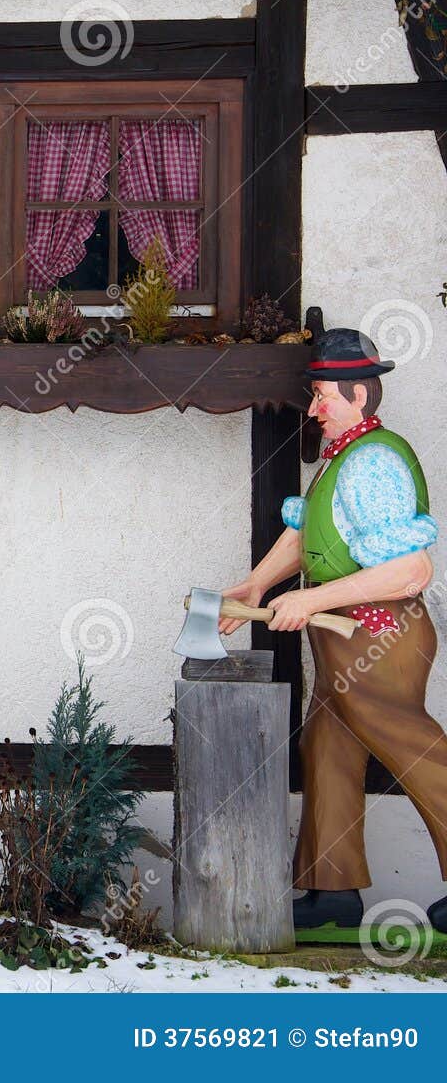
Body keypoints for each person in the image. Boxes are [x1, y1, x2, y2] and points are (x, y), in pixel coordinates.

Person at [221, 328, 447, 932]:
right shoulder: (341, 456)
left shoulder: (375, 462)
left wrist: (314, 597)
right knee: (327, 748)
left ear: (359, 397)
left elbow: (409, 569)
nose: (314, 406)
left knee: (415, 752)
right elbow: (309, 537)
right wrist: (256, 586)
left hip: (380, 636)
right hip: (342, 634)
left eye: (322, 394)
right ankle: (333, 889)